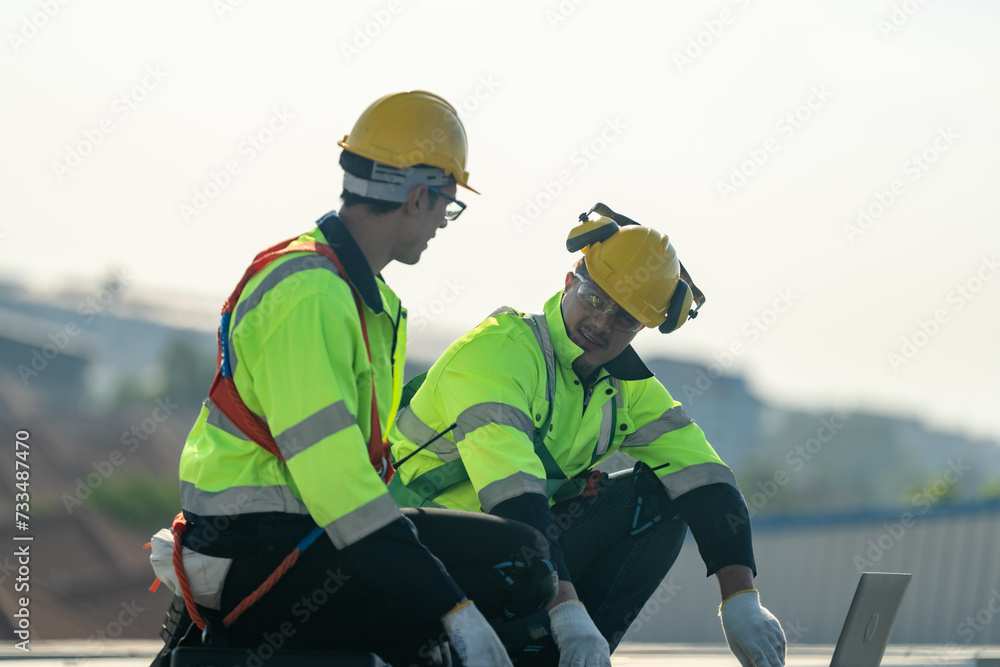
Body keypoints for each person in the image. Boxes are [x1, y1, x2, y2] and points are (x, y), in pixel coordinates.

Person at [149, 91, 557, 667]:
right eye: (448, 204)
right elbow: (339, 487)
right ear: (419, 197)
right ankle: (230, 651)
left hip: (298, 536)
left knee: (521, 558)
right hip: (254, 556)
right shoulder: (310, 294)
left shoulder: (357, 295)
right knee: (509, 570)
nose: (444, 220)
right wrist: (450, 608)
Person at [389, 203, 787, 666]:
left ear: (642, 327)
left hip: (515, 557)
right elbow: (514, 498)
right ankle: (557, 637)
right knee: (530, 551)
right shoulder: (499, 353)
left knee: (658, 499)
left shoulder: (627, 389)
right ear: (568, 282)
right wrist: (568, 613)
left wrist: (740, 600)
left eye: (625, 318)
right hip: (419, 549)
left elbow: (706, 478)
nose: (602, 323)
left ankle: (580, 657)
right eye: (595, 299)